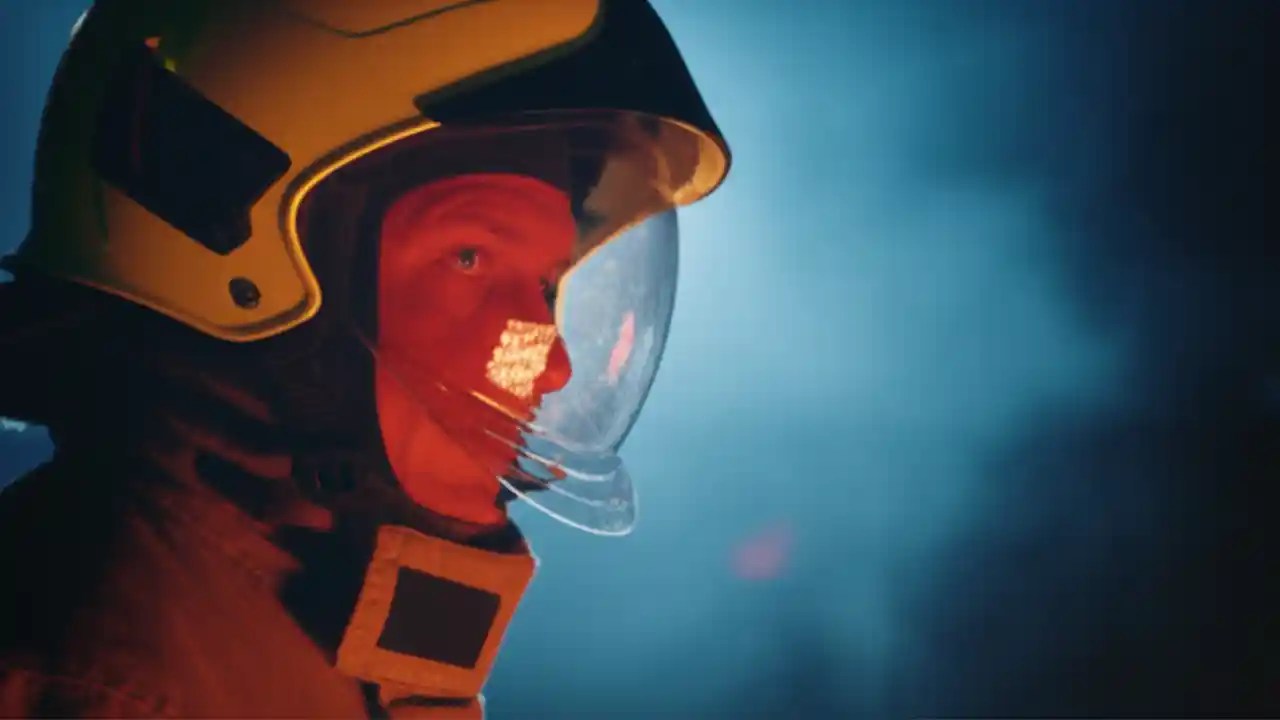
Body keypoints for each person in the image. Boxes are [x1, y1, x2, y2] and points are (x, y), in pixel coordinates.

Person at [0, 0, 731, 717]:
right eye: (469, 258)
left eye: (545, 285)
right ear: (219, 239)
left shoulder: (316, 635)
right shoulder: (106, 681)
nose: (549, 364)